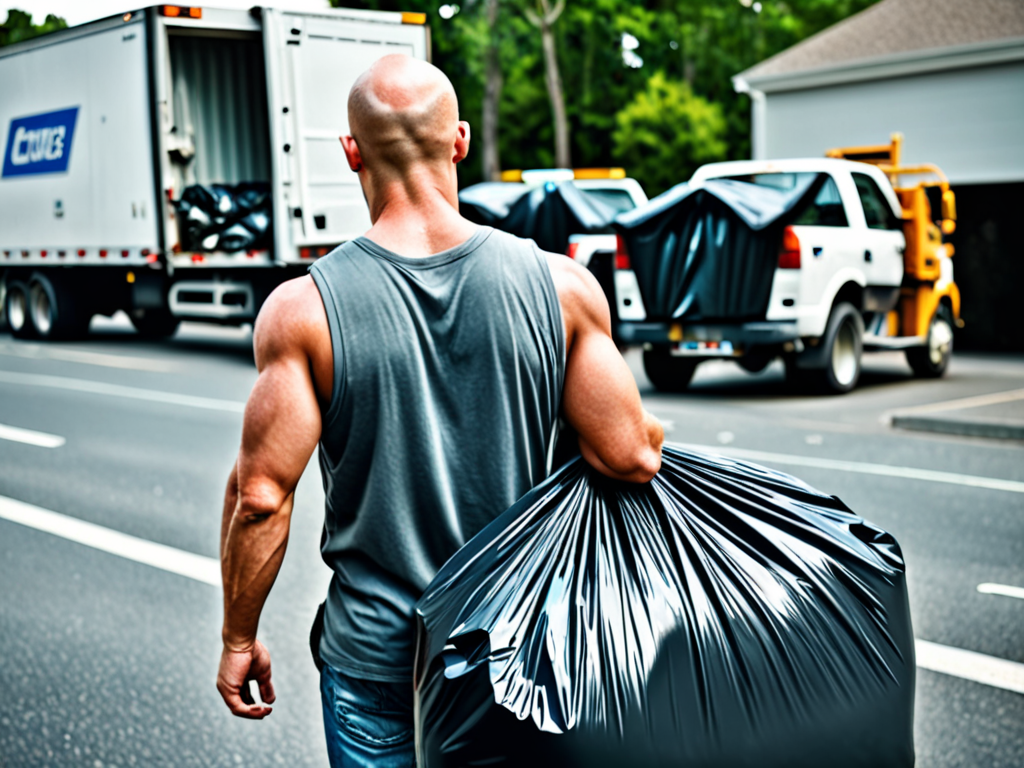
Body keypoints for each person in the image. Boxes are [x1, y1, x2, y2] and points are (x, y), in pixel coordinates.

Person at [215, 54, 663, 767]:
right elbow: (631, 456)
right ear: (458, 142)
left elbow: (261, 497)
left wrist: (240, 639)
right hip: (514, 653)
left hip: (377, 658)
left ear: (352, 153)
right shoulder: (562, 288)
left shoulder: (303, 311)